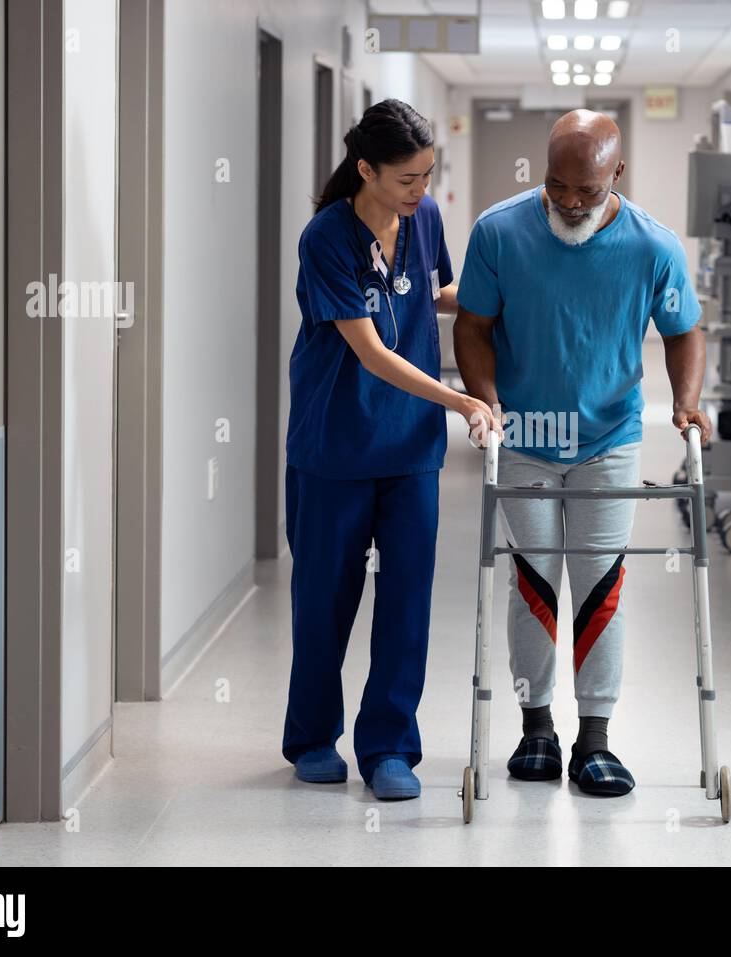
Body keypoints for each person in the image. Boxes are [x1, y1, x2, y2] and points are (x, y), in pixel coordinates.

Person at [453, 109, 711, 797]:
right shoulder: (500, 231)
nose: (569, 201)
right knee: (534, 581)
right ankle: (536, 726)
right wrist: (486, 400)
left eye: (586, 191)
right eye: (557, 185)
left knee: (601, 586)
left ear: (616, 175)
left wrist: (686, 402)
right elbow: (473, 327)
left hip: (609, 439)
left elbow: (685, 330)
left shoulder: (653, 247)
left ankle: (595, 737)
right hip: (528, 437)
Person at [283, 98, 500, 801]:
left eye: (428, 176)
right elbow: (372, 352)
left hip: (409, 448)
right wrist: (465, 399)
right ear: (366, 169)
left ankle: (389, 748)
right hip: (336, 444)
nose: (421, 191)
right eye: (407, 179)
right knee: (326, 598)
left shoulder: (423, 218)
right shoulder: (325, 238)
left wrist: (506, 296)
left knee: (407, 600)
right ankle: (314, 737)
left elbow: (434, 293)